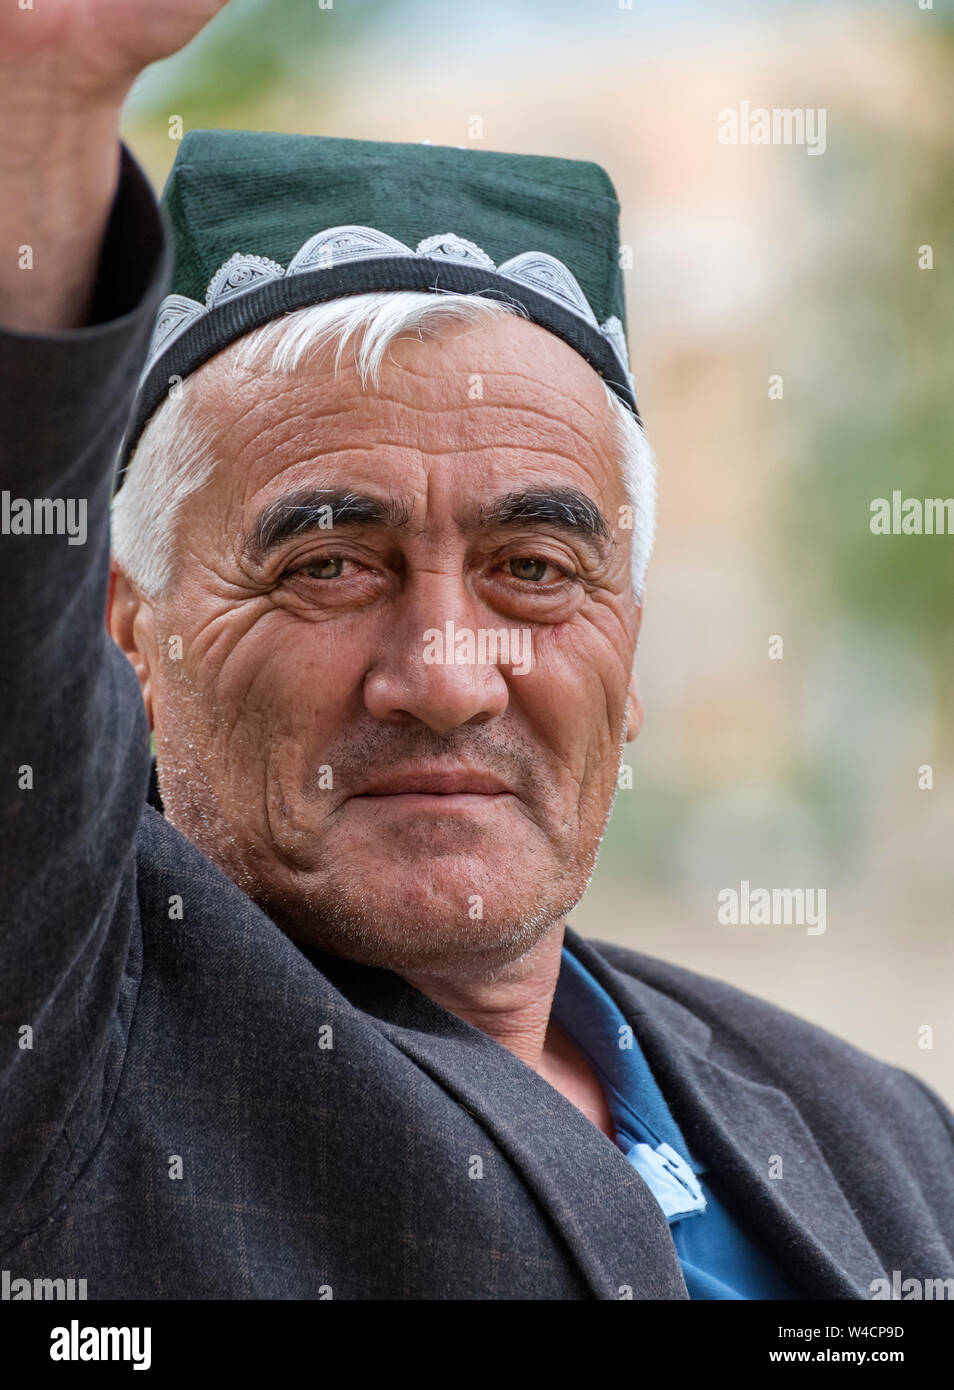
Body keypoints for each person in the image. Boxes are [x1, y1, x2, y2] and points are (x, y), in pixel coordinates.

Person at [2, 0, 951, 1302]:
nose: (445, 676)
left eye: (534, 571)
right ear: (130, 632)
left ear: (628, 639)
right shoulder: (64, 1049)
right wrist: (42, 105)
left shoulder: (880, 1133)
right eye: (328, 567)